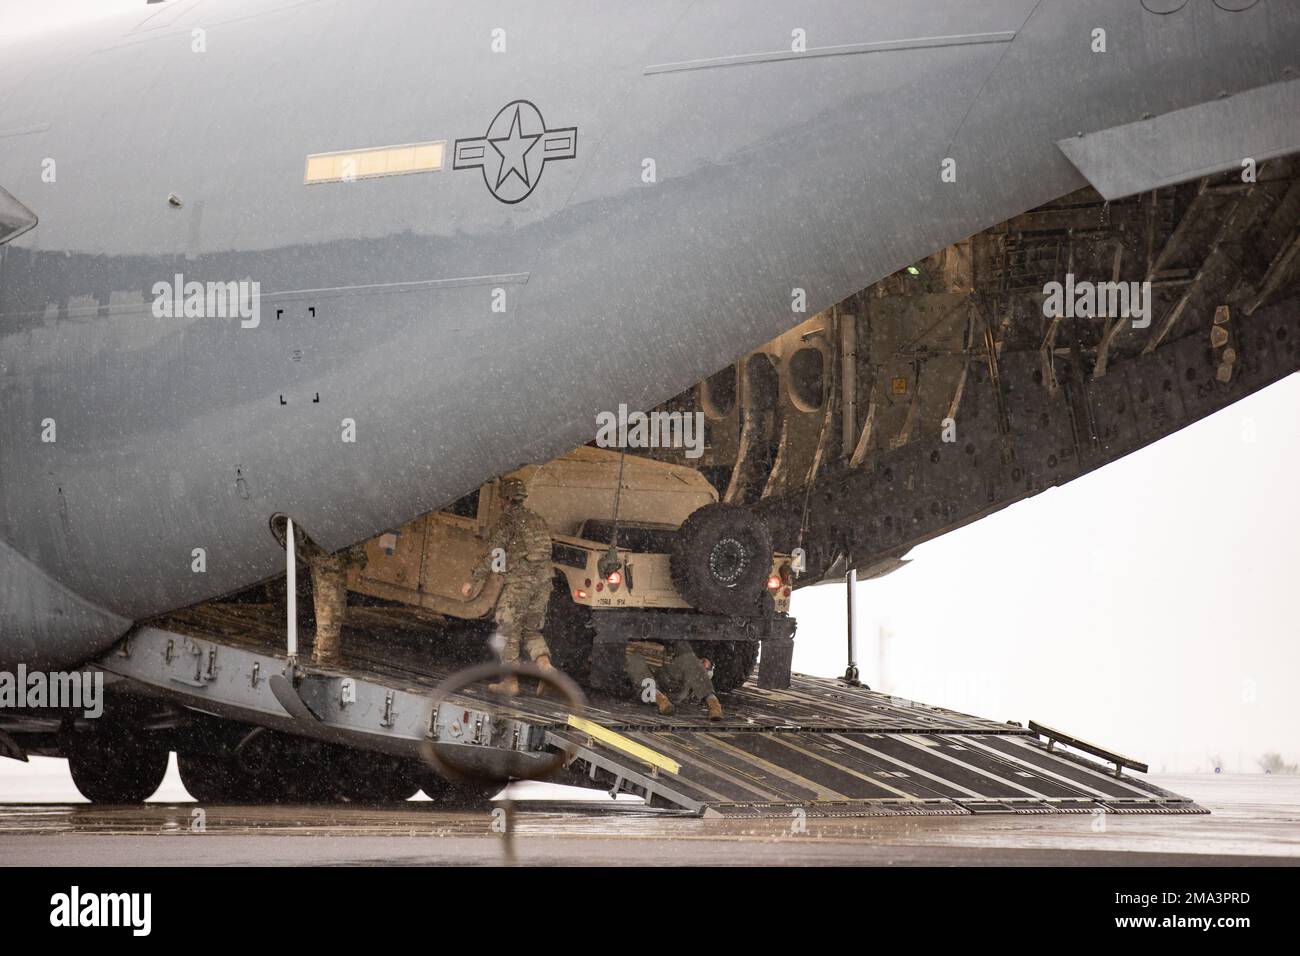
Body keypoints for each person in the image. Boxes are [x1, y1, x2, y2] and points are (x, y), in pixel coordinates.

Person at [461, 477, 555, 694]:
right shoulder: (537, 519)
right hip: (543, 583)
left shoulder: (507, 521)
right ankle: (547, 670)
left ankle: (510, 682)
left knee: (507, 627)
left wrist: (473, 580)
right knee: (530, 630)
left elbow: (494, 554)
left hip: (520, 583)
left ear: (504, 499)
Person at [303, 540, 367, 667]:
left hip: (322, 550)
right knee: (331, 606)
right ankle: (327, 655)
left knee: (323, 601)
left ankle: (320, 649)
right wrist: (358, 554)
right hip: (332, 553)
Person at [625, 639, 723, 721]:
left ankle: (713, 703)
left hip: (670, 684)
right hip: (651, 689)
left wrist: (706, 658)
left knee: (687, 655)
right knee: (634, 660)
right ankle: (660, 700)